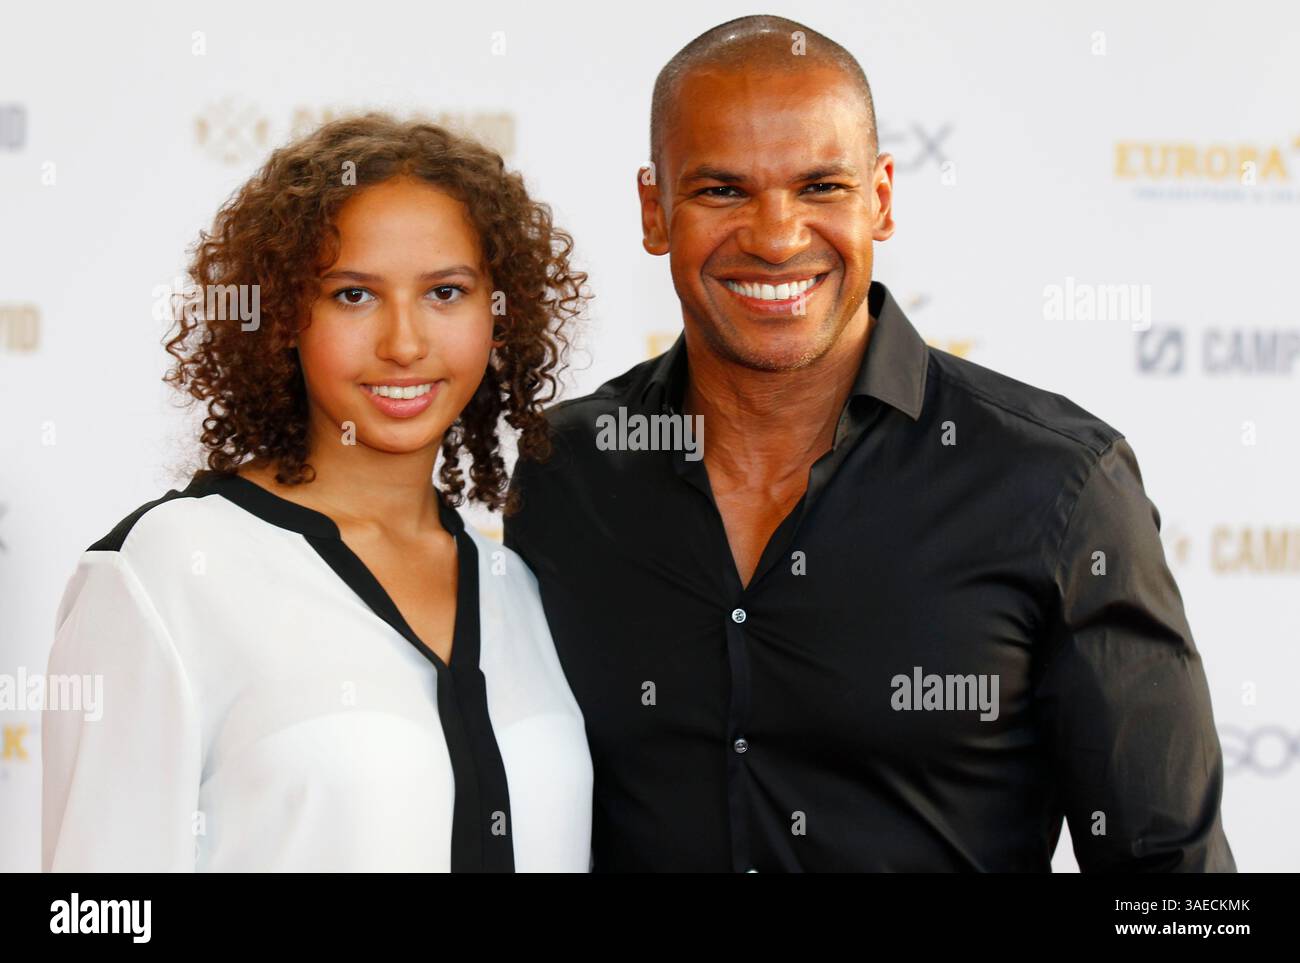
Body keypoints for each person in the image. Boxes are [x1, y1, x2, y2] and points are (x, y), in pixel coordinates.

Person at [503, 16, 1236, 871]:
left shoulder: (1057, 486)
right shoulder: (571, 471)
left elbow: (1178, 887)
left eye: (820, 186)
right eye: (722, 191)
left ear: (881, 197)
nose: (777, 237)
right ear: (654, 210)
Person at [42, 112, 593, 872]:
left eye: (445, 291)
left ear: (500, 317)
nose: (404, 343)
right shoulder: (167, 572)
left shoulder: (518, 588)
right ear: (282, 318)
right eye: (353, 296)